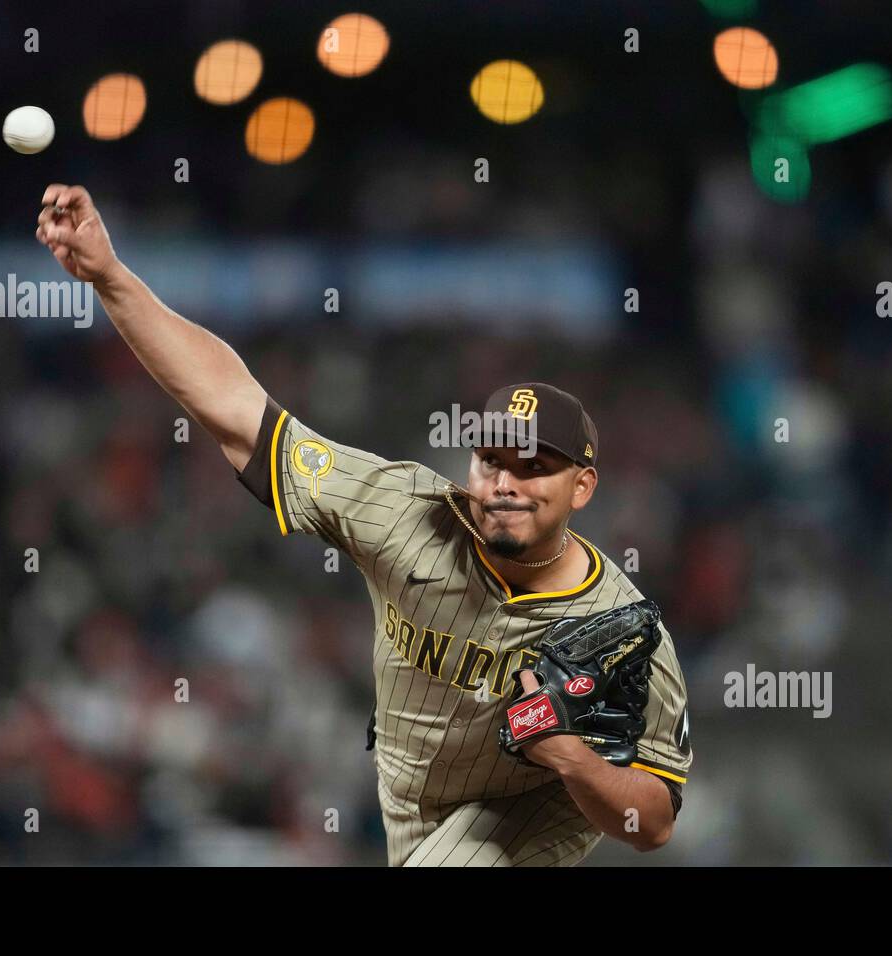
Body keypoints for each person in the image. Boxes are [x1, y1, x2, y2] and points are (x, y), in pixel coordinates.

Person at [35, 184, 692, 866]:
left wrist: (569, 757)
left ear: (582, 486)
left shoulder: (623, 629)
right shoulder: (402, 512)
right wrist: (111, 278)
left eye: (534, 468)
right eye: (491, 460)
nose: (505, 483)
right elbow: (238, 411)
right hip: (409, 810)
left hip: (533, 807)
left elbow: (655, 822)